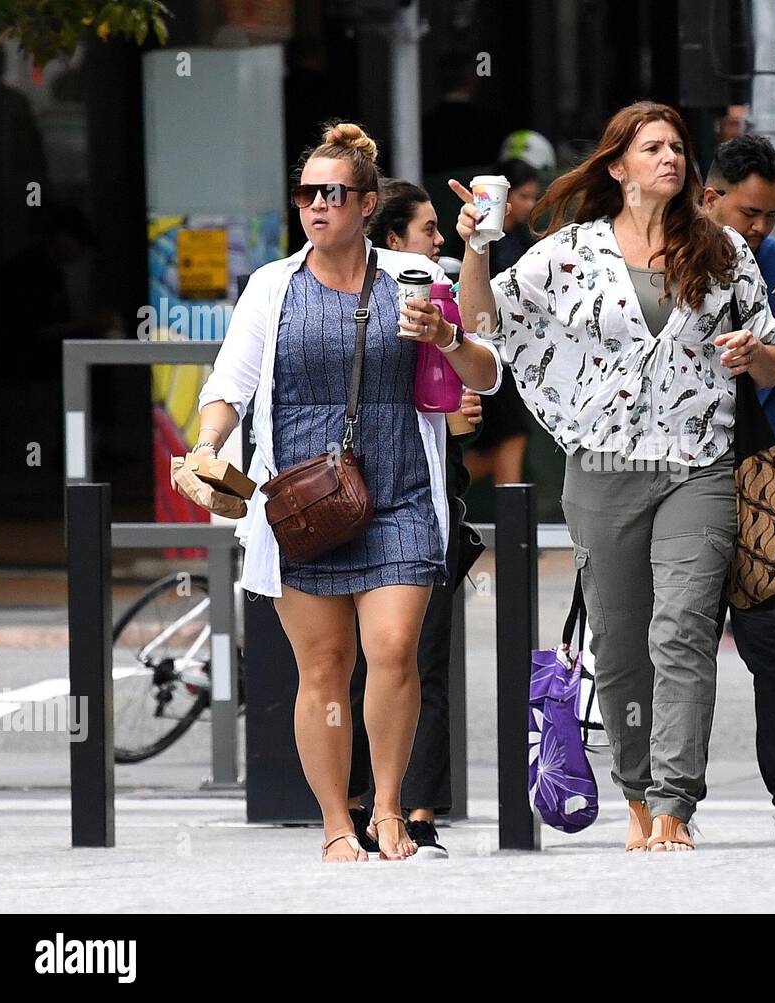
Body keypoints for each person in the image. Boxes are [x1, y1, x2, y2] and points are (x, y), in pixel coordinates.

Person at [452, 100, 775, 851]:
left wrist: (747, 354)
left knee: (685, 631)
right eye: (652, 147)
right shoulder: (568, 251)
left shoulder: (725, 249)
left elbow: (772, 359)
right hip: (601, 468)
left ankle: (674, 802)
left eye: (677, 147)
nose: (669, 157)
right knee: (622, 643)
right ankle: (638, 794)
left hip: (697, 464)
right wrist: (476, 246)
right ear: (617, 165)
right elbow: (484, 325)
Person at [187, 122, 501, 862]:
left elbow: (486, 374)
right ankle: (337, 820)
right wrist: (206, 445)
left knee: (392, 648)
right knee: (324, 667)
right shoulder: (273, 286)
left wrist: (448, 339)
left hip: (396, 492)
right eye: (307, 193)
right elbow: (229, 384)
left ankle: (389, 808)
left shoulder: (417, 278)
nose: (318, 205)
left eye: (335, 193)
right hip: (303, 502)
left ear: (367, 205)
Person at [329, 178, 486, 859]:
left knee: (418, 655)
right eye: (427, 229)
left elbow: (480, 340)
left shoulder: (432, 291)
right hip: (355, 493)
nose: (439, 238)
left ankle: (412, 808)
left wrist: (479, 245)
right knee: (355, 662)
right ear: (391, 239)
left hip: (423, 496)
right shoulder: (347, 300)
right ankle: (356, 807)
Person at [702, 134, 775, 843]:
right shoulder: (657, 262)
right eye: (748, 212)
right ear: (709, 197)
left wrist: (763, 356)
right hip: (676, 474)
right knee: (676, 645)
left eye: (770, 214)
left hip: (766, 483)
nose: (760, 229)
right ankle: (665, 800)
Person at [465, 159, 543, 486]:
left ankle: (440, 484)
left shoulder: (525, 238)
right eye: (524, 196)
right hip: (487, 351)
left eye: (533, 197)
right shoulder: (479, 239)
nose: (529, 204)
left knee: (504, 442)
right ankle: (514, 532)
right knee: (510, 436)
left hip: (517, 352)